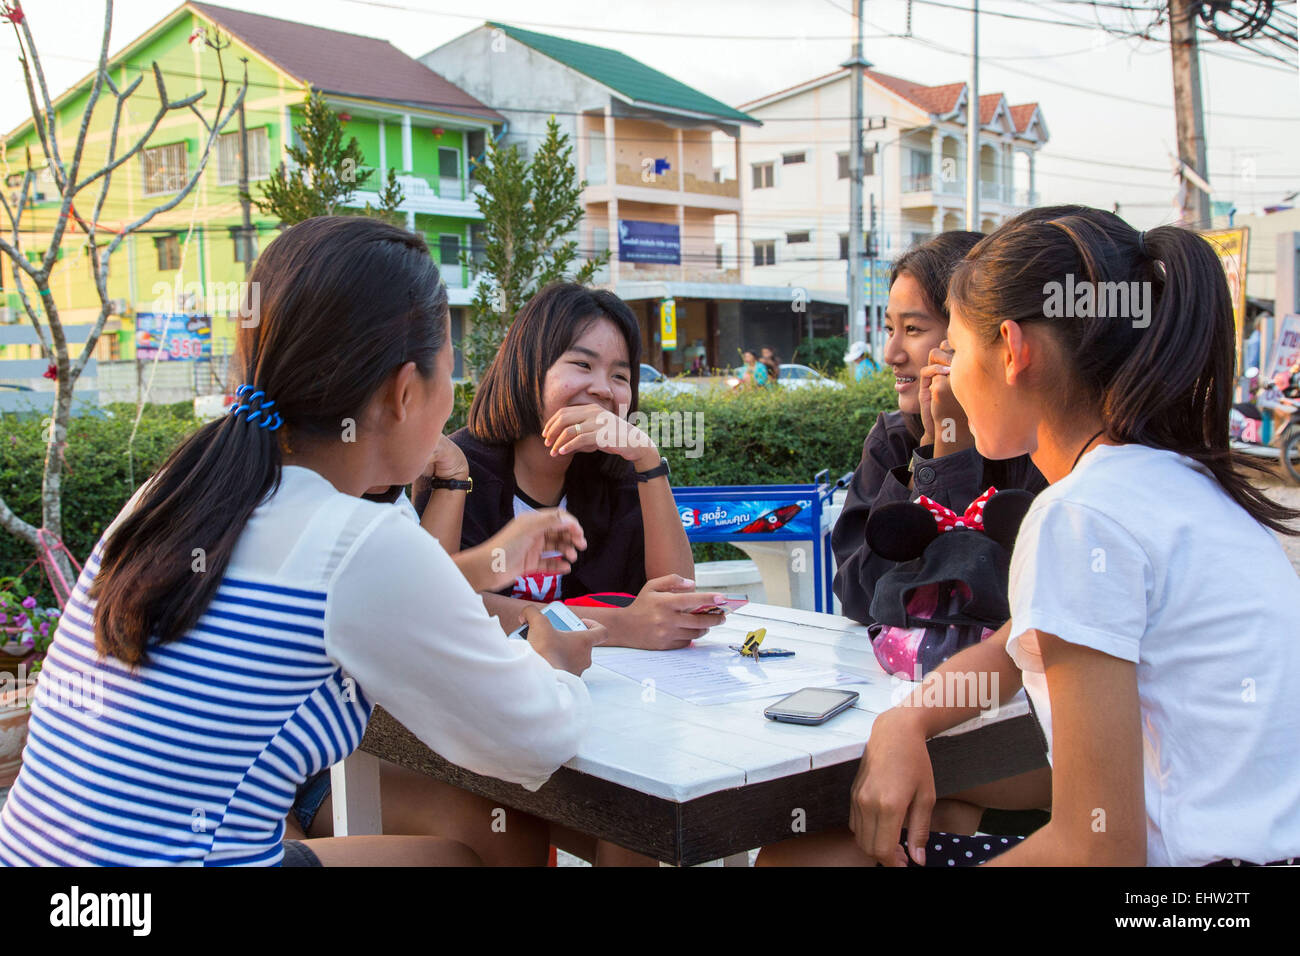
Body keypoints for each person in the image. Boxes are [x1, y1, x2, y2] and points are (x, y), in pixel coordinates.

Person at [0, 216, 603, 867]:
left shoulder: (180, 488)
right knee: (479, 852)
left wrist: (470, 540)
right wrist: (558, 663)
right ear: (404, 392)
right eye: (449, 373)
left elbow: (373, 571)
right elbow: (534, 740)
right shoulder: (357, 547)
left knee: (473, 844)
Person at [804, 207, 1300, 866]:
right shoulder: (1181, 486)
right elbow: (1022, 645)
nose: (944, 374)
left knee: (805, 858)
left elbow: (1098, 850)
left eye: (954, 345)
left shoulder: (1080, 514)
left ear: (1011, 351)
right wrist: (911, 718)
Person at [831, 231, 1047, 628]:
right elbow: (860, 596)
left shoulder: (1041, 444)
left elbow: (989, 604)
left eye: (913, 330)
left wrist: (953, 445)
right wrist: (937, 450)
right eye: (889, 328)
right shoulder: (893, 440)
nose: (891, 354)